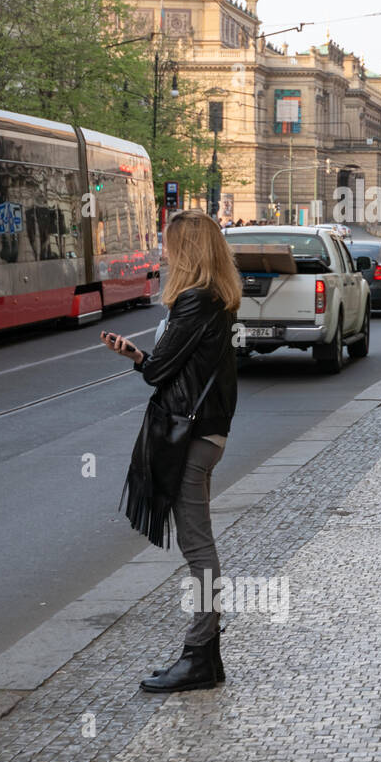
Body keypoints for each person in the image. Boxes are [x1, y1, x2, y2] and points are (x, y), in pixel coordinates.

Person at [100, 209, 239, 693]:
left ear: (187, 252)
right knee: (197, 545)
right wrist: (139, 356)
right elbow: (167, 365)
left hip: (191, 437)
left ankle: (200, 655)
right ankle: (206, 656)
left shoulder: (195, 302)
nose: (161, 251)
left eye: (168, 243)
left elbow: (162, 374)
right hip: (205, 432)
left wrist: (147, 362)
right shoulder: (215, 299)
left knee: (197, 547)